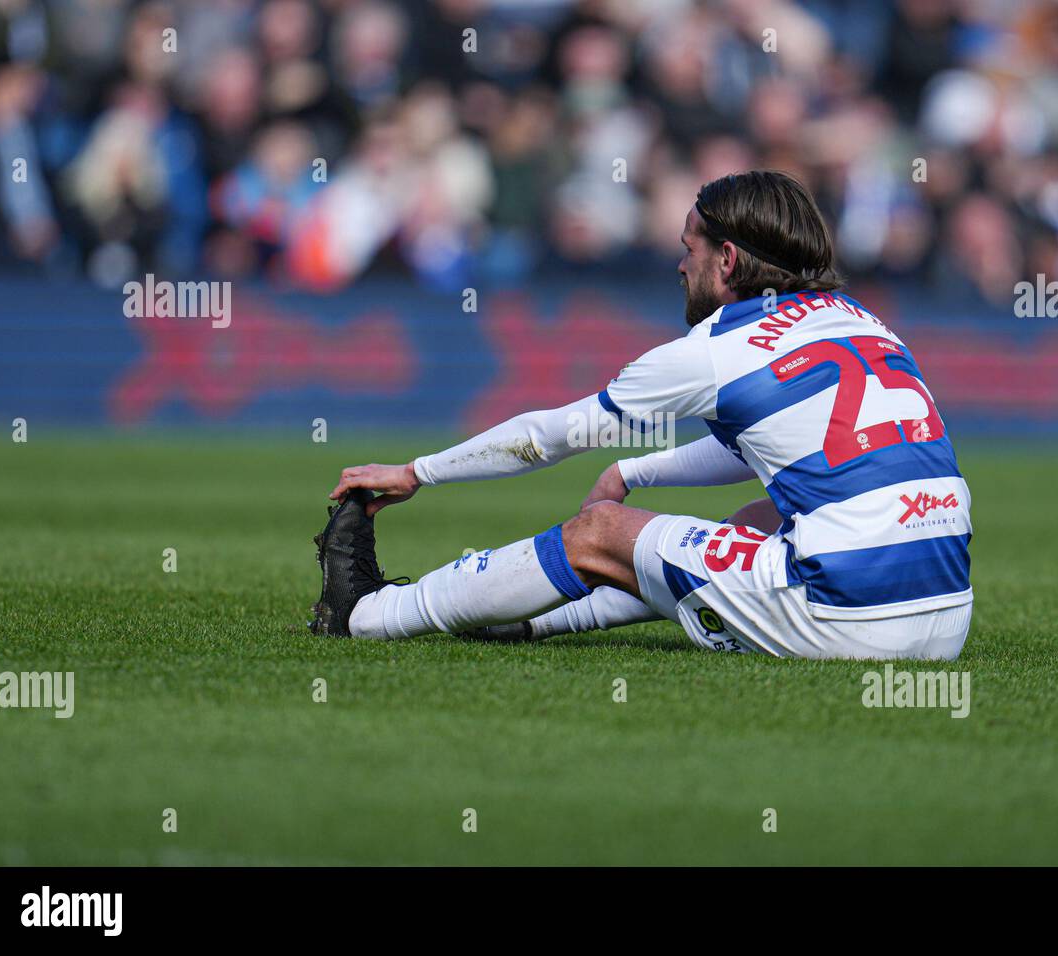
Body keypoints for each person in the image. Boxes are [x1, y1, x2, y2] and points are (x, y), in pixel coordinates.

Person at [310, 170, 972, 659]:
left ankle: (370, 614)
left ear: (728, 259)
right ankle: (529, 621)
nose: (680, 268)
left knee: (598, 531)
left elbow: (545, 439)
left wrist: (416, 472)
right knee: (759, 520)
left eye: (689, 250)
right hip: (946, 617)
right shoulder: (863, 321)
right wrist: (636, 469)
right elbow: (757, 448)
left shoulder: (718, 349)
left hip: (850, 617)